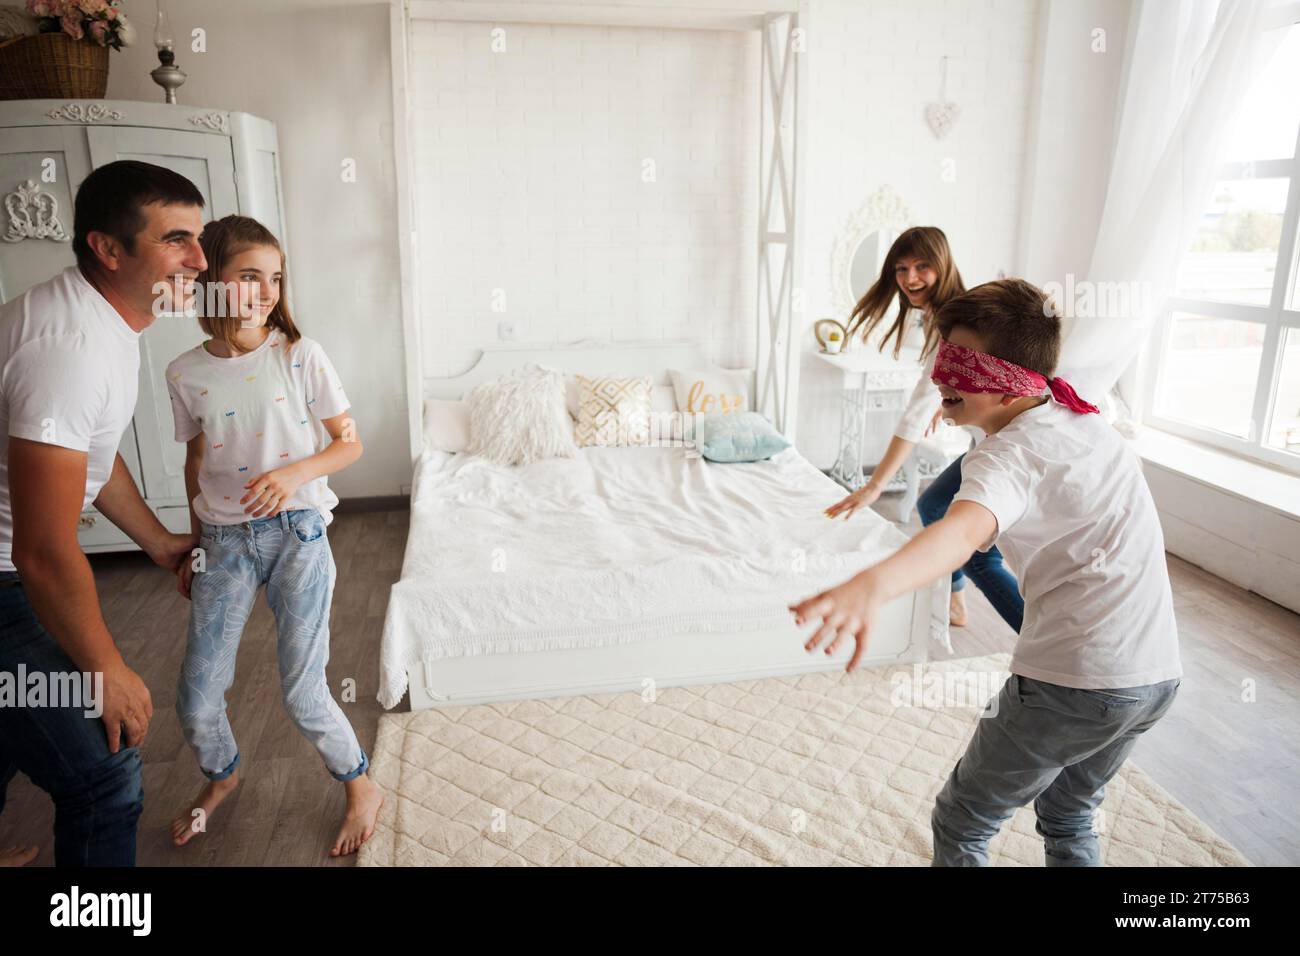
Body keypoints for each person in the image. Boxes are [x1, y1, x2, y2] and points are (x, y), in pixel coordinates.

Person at [793, 279, 1182, 866]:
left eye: (958, 361)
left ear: (1007, 382)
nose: (939, 374)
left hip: (1072, 683)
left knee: (963, 820)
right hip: (1153, 678)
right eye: (940, 355)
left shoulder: (1008, 456)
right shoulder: (1086, 423)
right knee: (1071, 814)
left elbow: (961, 533)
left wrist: (874, 582)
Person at [0, 160, 205, 865]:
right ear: (108, 249)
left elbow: (91, 454)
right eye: (176, 240)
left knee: (7, 733)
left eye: (199, 239)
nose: (200, 261)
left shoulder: (102, 320)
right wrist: (106, 669)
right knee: (103, 769)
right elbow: (41, 551)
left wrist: (155, 541)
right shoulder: (70, 350)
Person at [166, 215, 383, 857]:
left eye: (275, 277)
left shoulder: (298, 354)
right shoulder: (185, 372)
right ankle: (223, 775)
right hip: (224, 546)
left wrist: (294, 475)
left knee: (301, 687)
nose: (266, 291)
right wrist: (197, 537)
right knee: (197, 695)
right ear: (210, 281)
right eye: (249, 276)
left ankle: (360, 784)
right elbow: (194, 460)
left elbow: (349, 444)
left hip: (298, 536)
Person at [823, 227, 1023, 631]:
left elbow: (914, 415)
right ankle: (961, 599)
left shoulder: (954, 322)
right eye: (901, 268)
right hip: (997, 438)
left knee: (966, 539)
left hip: (1007, 442)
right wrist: (950, 400)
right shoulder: (951, 313)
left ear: (942, 265)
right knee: (936, 509)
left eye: (921, 266)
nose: (909, 278)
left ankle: (1035, 636)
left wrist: (874, 486)